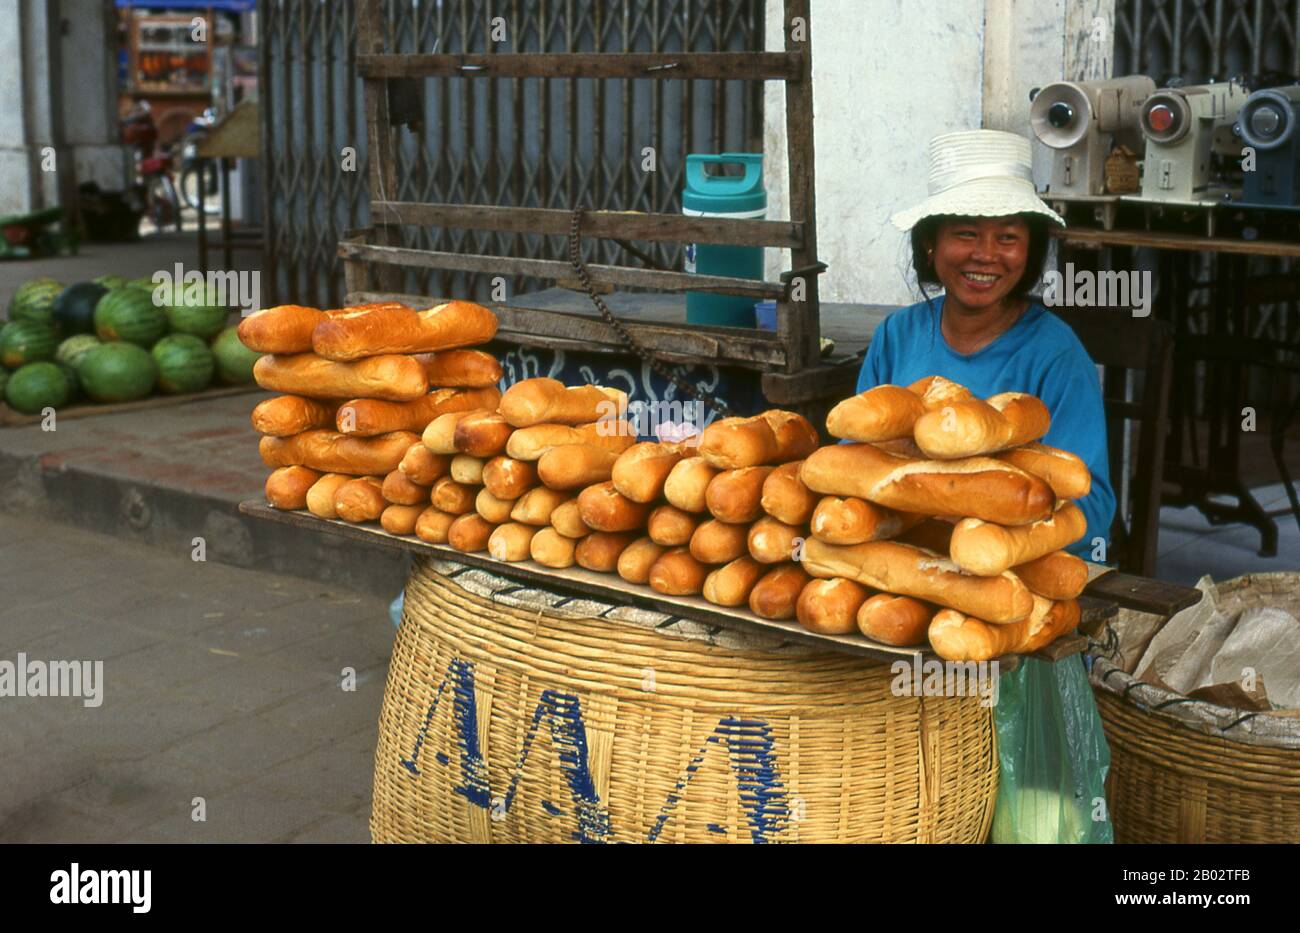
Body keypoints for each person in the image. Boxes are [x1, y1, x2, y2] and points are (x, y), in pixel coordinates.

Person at [859, 129, 1116, 556]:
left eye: (1008, 237)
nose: (986, 254)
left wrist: (967, 514)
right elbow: (857, 465)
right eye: (966, 233)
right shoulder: (896, 335)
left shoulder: (1056, 355)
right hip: (909, 567)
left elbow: (1093, 510)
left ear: (1029, 251)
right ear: (929, 243)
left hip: (1021, 574)